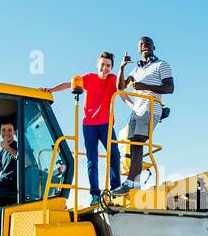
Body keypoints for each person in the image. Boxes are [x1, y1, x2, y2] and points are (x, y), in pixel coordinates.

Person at [42, 52, 122, 202]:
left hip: (106, 123)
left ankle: (116, 188)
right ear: (97, 64)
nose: (105, 68)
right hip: (89, 125)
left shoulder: (112, 79)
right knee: (92, 159)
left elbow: (121, 94)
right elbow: (68, 84)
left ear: (111, 68)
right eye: (103, 64)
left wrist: (133, 105)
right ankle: (95, 194)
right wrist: (51, 89)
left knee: (114, 154)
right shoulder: (89, 78)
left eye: (108, 66)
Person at [113, 36, 173, 195]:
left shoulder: (162, 65)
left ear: (154, 47)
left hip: (150, 106)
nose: (144, 46)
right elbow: (121, 87)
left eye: (148, 44)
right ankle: (135, 182)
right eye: (141, 44)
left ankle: (132, 183)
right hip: (136, 109)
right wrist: (121, 67)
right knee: (133, 144)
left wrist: (145, 86)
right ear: (138, 50)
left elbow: (170, 88)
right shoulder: (137, 69)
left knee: (138, 142)